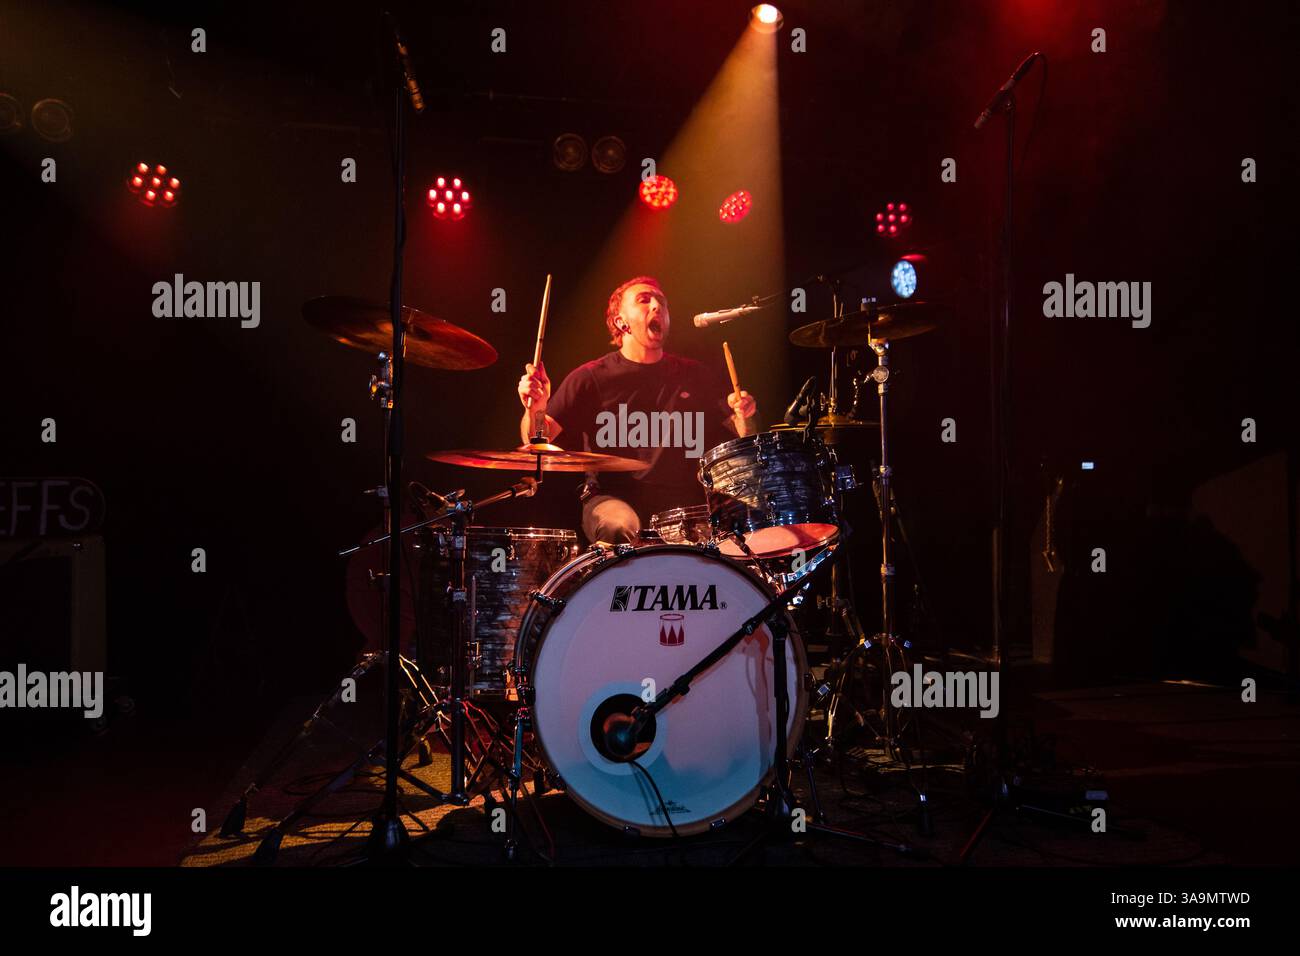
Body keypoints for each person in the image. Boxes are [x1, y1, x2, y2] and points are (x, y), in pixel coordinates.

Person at [517, 276, 758, 545]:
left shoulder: (695, 375)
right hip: (612, 499)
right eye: (644, 300)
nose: (657, 306)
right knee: (619, 526)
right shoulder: (589, 378)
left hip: (686, 504)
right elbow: (537, 439)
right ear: (621, 322)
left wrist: (744, 415)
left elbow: (744, 442)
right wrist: (536, 409)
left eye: (662, 303)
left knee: (735, 529)